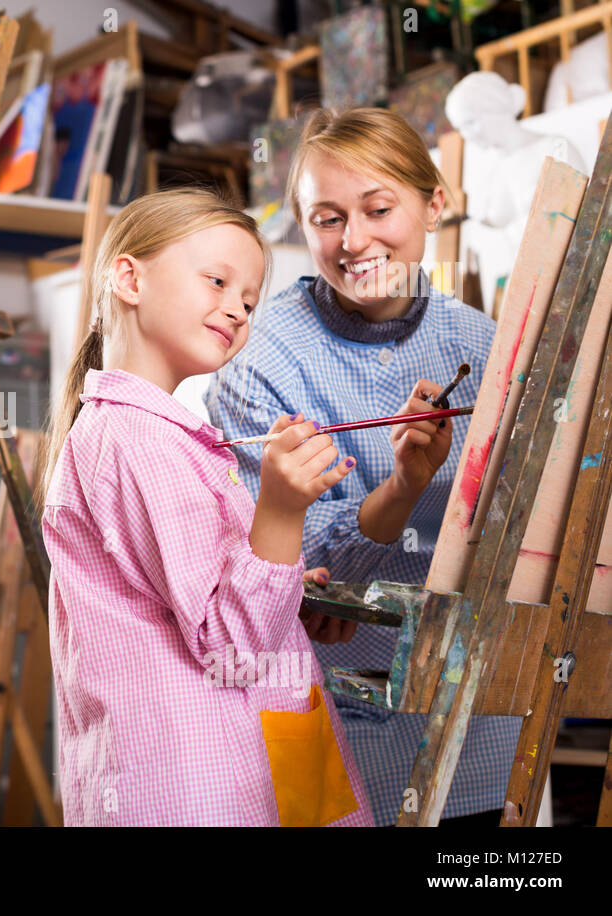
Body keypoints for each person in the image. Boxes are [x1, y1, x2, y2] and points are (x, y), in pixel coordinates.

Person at [206, 107, 514, 825]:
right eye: (326, 218)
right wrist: (404, 487)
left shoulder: (495, 347)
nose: (355, 241)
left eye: (379, 209)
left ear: (436, 203)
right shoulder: (259, 363)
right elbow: (293, 588)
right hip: (333, 724)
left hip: (477, 721)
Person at [39, 188, 374, 826]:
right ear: (129, 278)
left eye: (248, 300)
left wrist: (289, 602)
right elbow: (231, 646)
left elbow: (207, 601)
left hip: (249, 769)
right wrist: (279, 510)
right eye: (217, 282)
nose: (237, 310)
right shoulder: (135, 440)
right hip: (200, 790)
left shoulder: (161, 436)